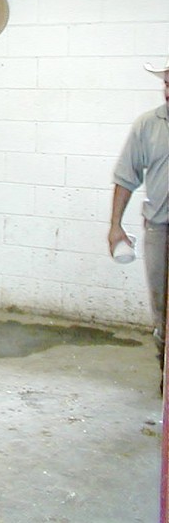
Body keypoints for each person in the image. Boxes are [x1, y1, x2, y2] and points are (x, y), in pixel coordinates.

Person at [108, 59, 169, 376]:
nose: (168, 91)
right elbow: (126, 176)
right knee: (163, 311)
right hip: (161, 231)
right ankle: (165, 377)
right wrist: (115, 226)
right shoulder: (148, 125)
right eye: (167, 83)